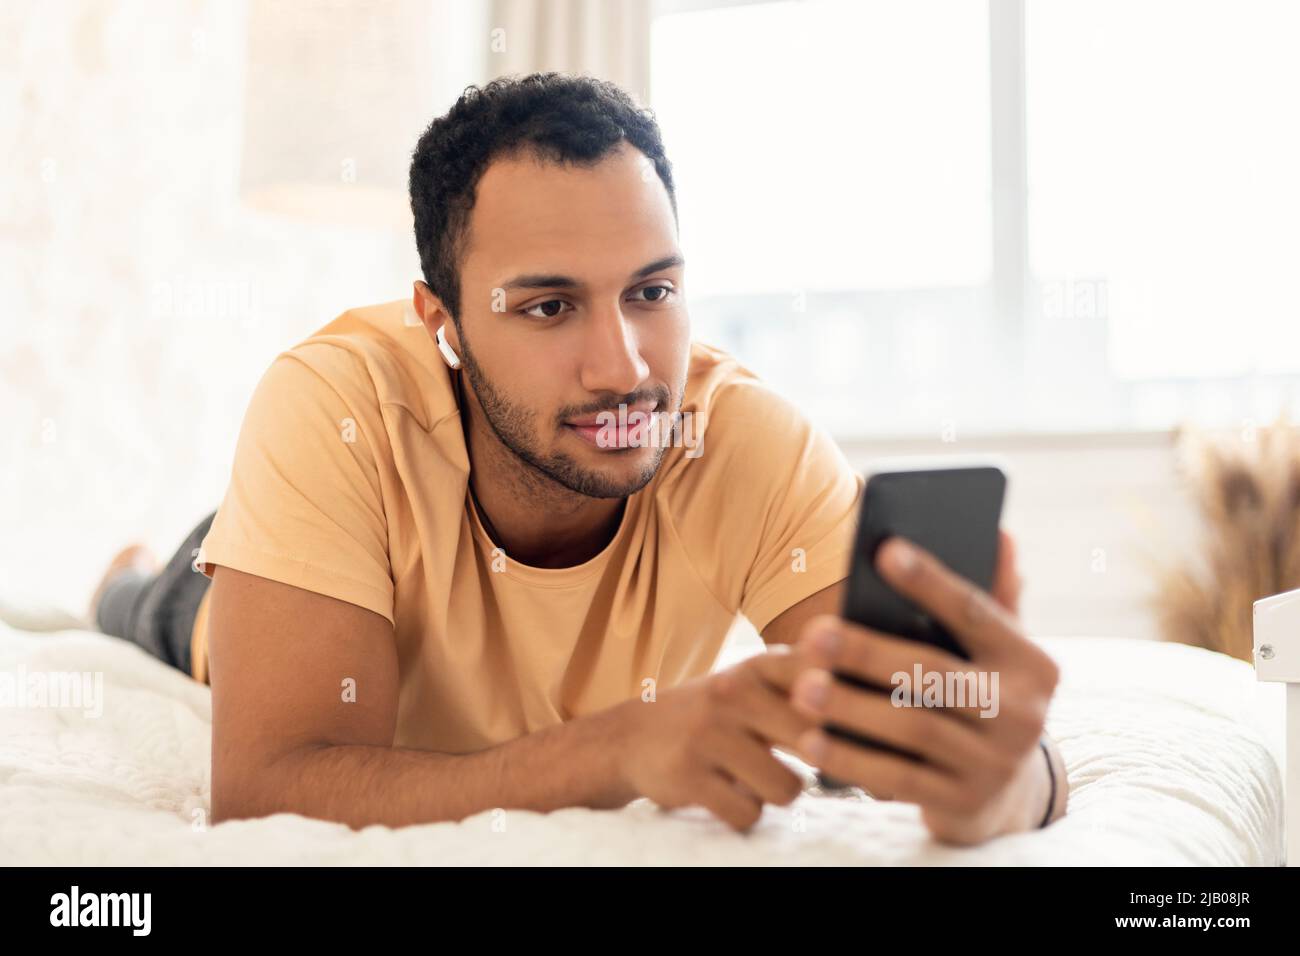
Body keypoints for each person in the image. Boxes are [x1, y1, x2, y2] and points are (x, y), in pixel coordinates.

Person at [88, 72, 1066, 842]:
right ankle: (125, 575)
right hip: (269, 580)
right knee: (147, 607)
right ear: (442, 321)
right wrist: (615, 750)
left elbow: (941, 733)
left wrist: (1002, 780)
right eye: (550, 306)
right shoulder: (334, 404)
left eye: (651, 292)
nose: (625, 368)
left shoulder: (741, 438)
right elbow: (265, 787)